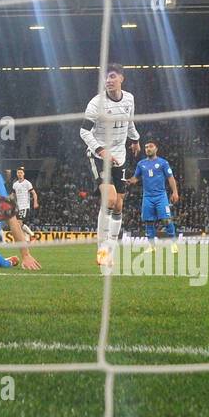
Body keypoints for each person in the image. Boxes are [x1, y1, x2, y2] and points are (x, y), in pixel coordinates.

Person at [80, 63, 139, 267]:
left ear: (121, 78)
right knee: (111, 199)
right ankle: (102, 250)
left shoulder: (129, 99)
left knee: (119, 205)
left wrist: (135, 139)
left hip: (120, 156)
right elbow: (84, 131)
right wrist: (101, 150)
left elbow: (129, 123)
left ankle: (110, 252)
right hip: (99, 155)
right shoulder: (96, 103)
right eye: (106, 77)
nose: (108, 80)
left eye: (112, 76)